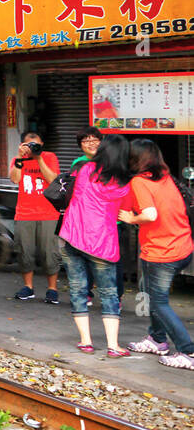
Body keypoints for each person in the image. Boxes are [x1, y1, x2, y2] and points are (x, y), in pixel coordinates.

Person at [119, 139, 194, 369]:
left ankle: (188, 352)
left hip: (162, 252)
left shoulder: (140, 182)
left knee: (158, 302)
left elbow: (150, 214)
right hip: (183, 247)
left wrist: (131, 219)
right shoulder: (165, 178)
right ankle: (157, 340)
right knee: (150, 296)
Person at [59, 134, 133, 357]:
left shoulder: (83, 169)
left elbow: (69, 193)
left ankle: (86, 341)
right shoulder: (124, 181)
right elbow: (126, 213)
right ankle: (113, 346)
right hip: (101, 241)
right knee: (109, 293)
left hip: (72, 235)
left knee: (78, 288)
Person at [9, 130, 62, 304]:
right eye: (29, 145)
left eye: (36, 145)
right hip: (24, 213)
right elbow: (15, 179)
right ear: (22, 145)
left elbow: (53, 178)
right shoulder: (17, 160)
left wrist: (39, 158)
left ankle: (52, 289)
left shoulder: (49, 157)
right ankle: (28, 287)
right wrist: (19, 157)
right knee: (25, 251)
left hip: (48, 213)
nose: (33, 148)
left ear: (42, 145)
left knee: (50, 253)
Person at [70, 127, 104, 305]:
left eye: (94, 139)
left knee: (111, 260)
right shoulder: (78, 163)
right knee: (86, 259)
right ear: (80, 145)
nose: (90, 144)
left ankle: (115, 296)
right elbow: (74, 190)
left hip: (110, 220)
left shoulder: (110, 160)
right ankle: (87, 293)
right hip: (86, 219)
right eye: (85, 141)